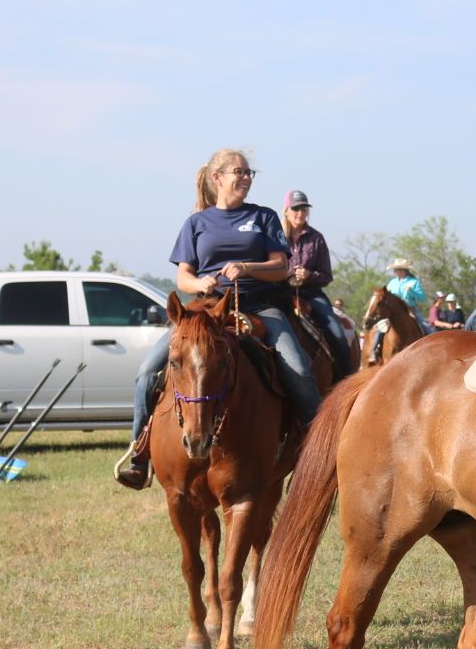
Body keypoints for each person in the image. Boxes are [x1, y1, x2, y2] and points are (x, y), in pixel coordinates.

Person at [113, 150, 321, 490]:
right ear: (218, 178)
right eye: (238, 172)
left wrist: (247, 268)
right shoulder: (196, 223)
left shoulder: (264, 217)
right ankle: (139, 453)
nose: (246, 177)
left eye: (249, 172)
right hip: (204, 313)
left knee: (298, 369)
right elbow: (184, 278)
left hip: (261, 306)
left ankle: (317, 454)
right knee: (148, 370)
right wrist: (200, 283)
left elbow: (281, 267)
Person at [282, 189, 357, 379]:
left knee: (337, 333)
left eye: (304, 209)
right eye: (296, 208)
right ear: (286, 211)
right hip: (281, 293)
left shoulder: (316, 238)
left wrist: (309, 275)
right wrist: (289, 273)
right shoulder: (277, 237)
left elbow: (326, 276)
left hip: (312, 293)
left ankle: (346, 382)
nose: (300, 213)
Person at [385, 258, 428, 328]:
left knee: (426, 326)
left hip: (410, 309)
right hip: (392, 310)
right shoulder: (392, 283)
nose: (397, 271)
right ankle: (376, 339)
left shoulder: (414, 282)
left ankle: (434, 338)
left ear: (405, 270)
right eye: (396, 269)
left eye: (400, 269)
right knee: (380, 329)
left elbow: (422, 298)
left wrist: (412, 291)